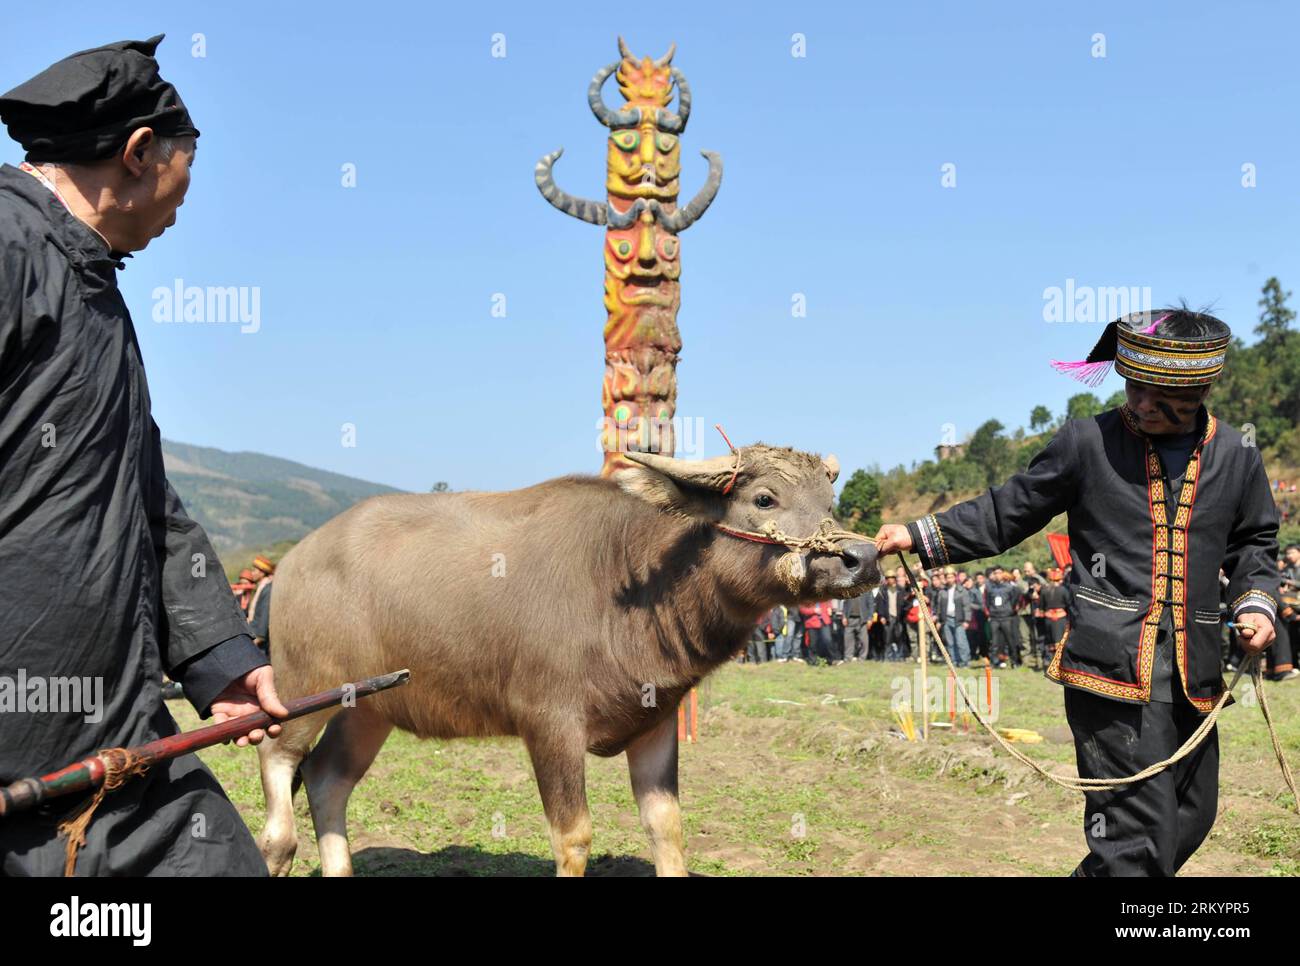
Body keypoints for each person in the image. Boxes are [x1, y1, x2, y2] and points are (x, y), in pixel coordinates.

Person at [0, 36, 287, 876]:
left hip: (112, 745)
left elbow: (145, 499)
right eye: (184, 172)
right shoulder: (10, 252)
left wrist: (220, 657)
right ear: (136, 154)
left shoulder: (95, 292)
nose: (183, 204)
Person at [876, 308, 1280, 877]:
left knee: (1190, 815)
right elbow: (1008, 510)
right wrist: (919, 534)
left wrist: (1255, 600)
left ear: (1200, 387)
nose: (1138, 402)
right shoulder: (1086, 441)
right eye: (1131, 386)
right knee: (1137, 839)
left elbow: (1254, 542)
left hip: (1195, 674)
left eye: (1156, 393)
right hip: (1109, 671)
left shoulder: (1237, 454)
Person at [246, 554, 275, 650]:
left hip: (259, 641)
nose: (252, 573)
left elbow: (264, 614)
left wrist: (259, 637)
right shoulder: (261, 587)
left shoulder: (267, 589)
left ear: (262, 573)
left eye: (254, 570)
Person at [841, 589, 873, 661]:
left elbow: (871, 604)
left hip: (862, 619)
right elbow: (844, 604)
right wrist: (844, 616)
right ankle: (848, 657)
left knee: (863, 640)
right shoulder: (848, 589)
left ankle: (862, 658)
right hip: (850, 618)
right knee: (848, 639)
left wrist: (870, 618)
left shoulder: (867, 590)